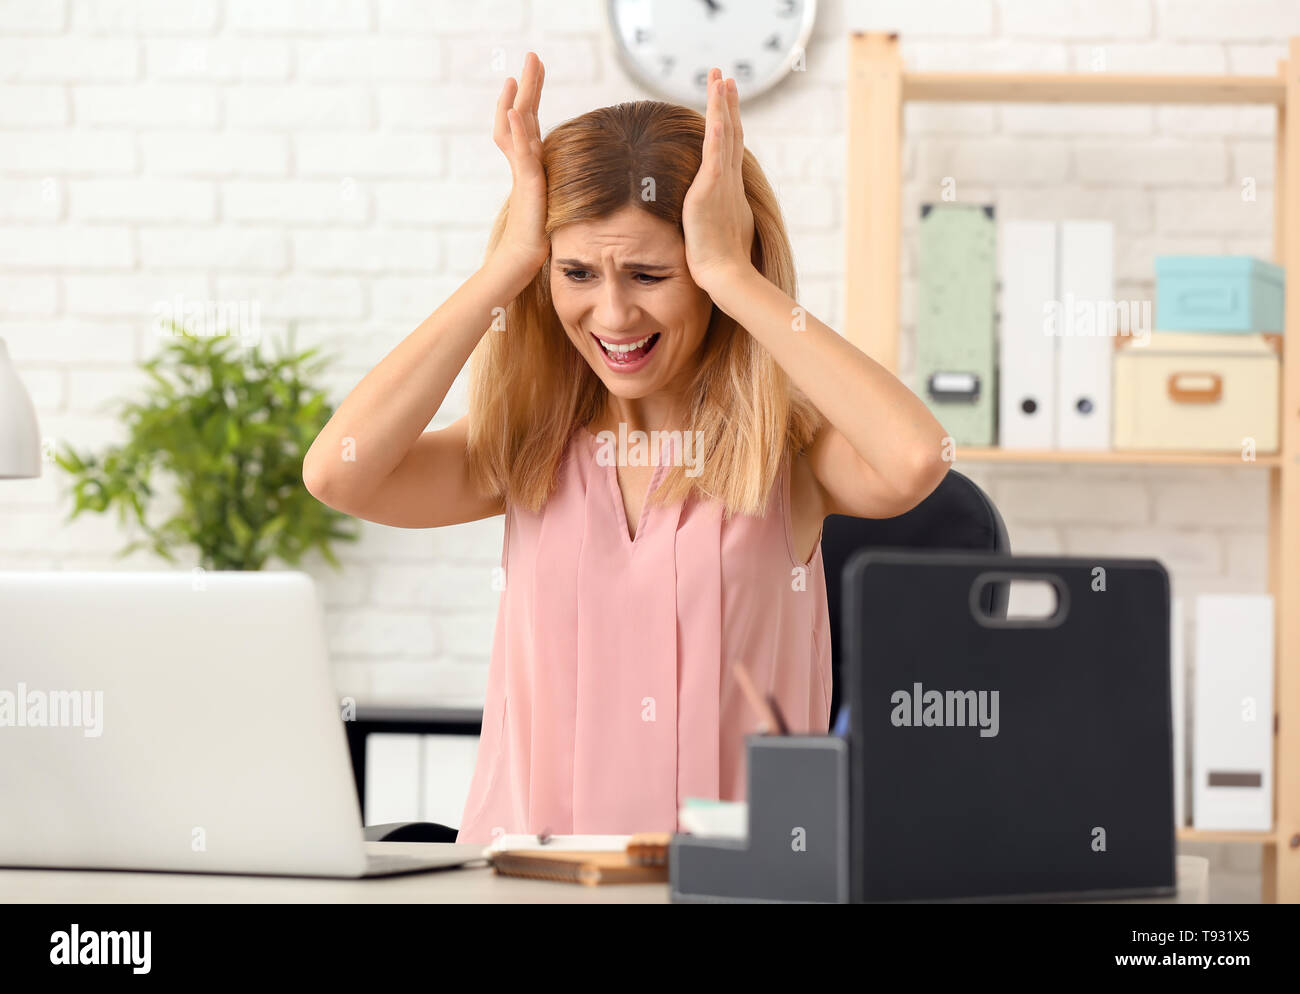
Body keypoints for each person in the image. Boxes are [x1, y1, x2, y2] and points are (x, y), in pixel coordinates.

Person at [304, 53, 950, 844]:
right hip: (526, 892)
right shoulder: (527, 448)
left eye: (650, 273)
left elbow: (920, 457)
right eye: (576, 272)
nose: (611, 314)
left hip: (733, 892)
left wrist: (733, 275)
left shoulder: (797, 456)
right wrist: (504, 266)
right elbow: (339, 471)